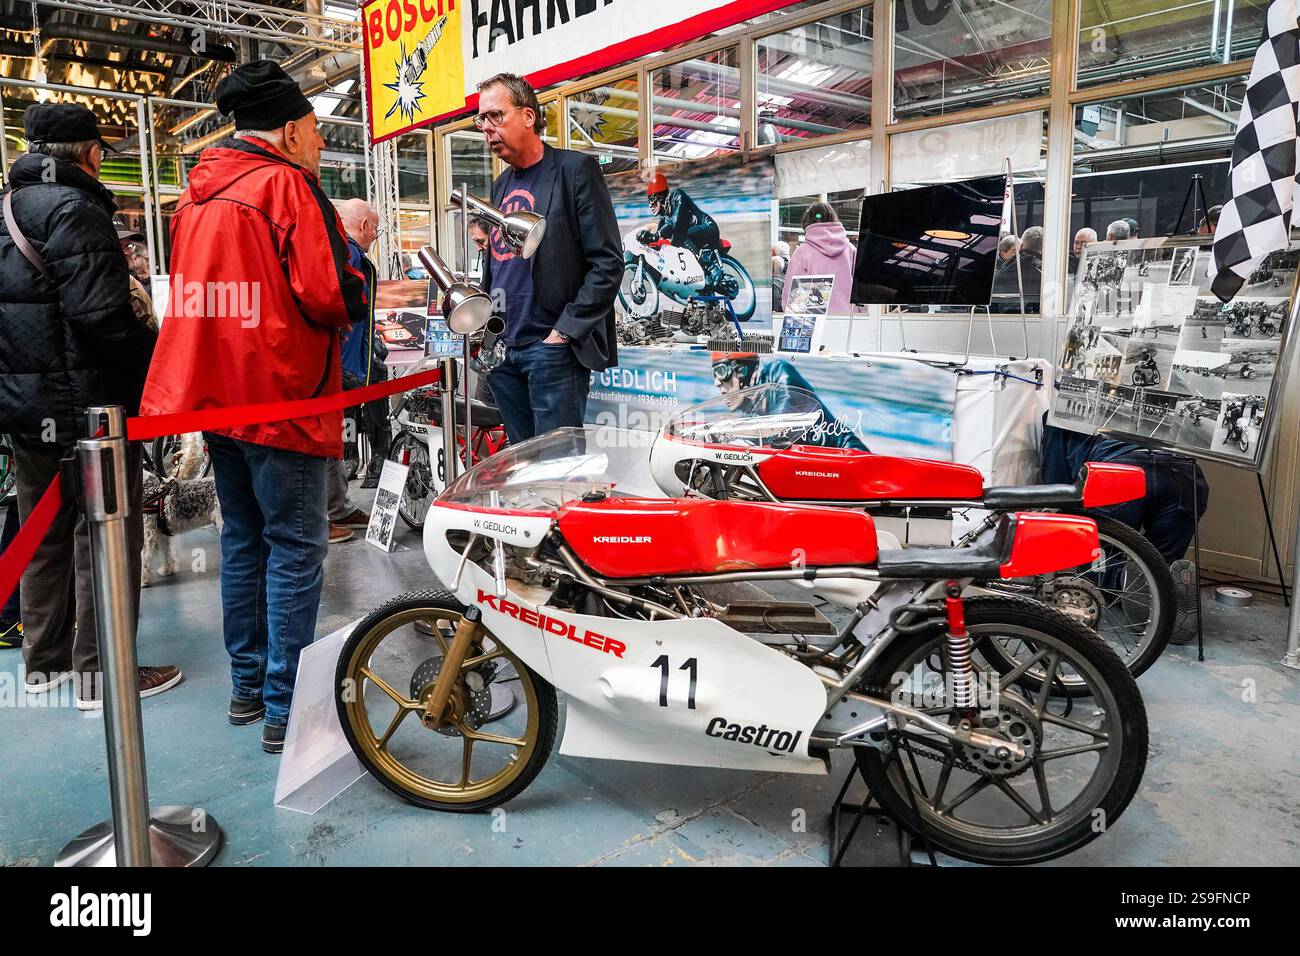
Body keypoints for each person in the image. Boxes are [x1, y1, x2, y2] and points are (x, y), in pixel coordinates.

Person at [138, 61, 368, 753]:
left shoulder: (195, 197)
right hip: (280, 396)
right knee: (296, 547)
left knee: (242, 542)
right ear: (293, 128)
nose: (322, 144)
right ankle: (285, 705)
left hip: (216, 400)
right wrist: (358, 287)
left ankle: (247, 689)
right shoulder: (288, 186)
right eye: (318, 132)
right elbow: (329, 294)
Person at [0, 102, 179, 707]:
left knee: (42, 533)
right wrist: (154, 366)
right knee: (105, 535)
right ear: (89, 152)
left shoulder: (5, 208)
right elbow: (101, 314)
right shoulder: (77, 209)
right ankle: (101, 674)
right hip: (90, 409)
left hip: (25, 409)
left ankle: (44, 664)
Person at [477, 73, 622, 444]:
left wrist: (562, 334)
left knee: (559, 471)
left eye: (496, 116)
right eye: (482, 120)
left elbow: (607, 263)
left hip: (551, 350)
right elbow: (500, 261)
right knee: (520, 470)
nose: (487, 129)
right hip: (505, 349)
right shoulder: (501, 184)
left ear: (527, 117)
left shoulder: (575, 171)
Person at [335, 197, 391, 495]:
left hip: (347, 357)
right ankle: (375, 460)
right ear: (364, 225)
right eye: (376, 229)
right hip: (348, 359)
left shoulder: (339, 251)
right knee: (369, 400)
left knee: (351, 411)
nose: (375, 235)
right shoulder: (350, 255)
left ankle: (355, 461)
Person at [710, 353, 867, 451]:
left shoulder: (780, 373)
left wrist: (733, 430)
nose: (717, 383)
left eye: (722, 373)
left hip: (848, 456)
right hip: (814, 468)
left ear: (742, 372)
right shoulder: (751, 402)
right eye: (714, 376)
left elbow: (777, 430)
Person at [639, 171, 736, 297]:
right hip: (693, 237)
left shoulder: (678, 196)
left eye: (651, 200)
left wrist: (656, 235)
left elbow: (676, 222)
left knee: (682, 237)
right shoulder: (664, 218)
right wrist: (647, 241)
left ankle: (712, 268)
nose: (650, 205)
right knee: (674, 245)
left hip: (708, 227)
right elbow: (661, 239)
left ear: (660, 197)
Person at [782, 203, 857, 314]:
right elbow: (861, 290)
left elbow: (791, 293)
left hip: (813, 321)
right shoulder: (851, 250)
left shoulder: (802, 252)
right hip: (850, 319)